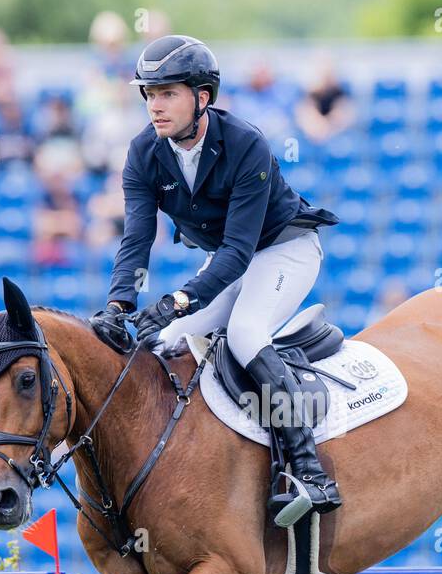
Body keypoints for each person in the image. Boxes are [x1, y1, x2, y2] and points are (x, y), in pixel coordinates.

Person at [89, 35, 342, 525]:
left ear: (202, 97)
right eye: (149, 94)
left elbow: (239, 252)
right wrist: (119, 305)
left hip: (283, 248)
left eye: (167, 93)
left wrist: (179, 299)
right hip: (226, 258)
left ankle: (309, 471)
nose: (154, 106)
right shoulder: (142, 153)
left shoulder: (245, 143)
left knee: (245, 334)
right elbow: (136, 239)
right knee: (164, 341)